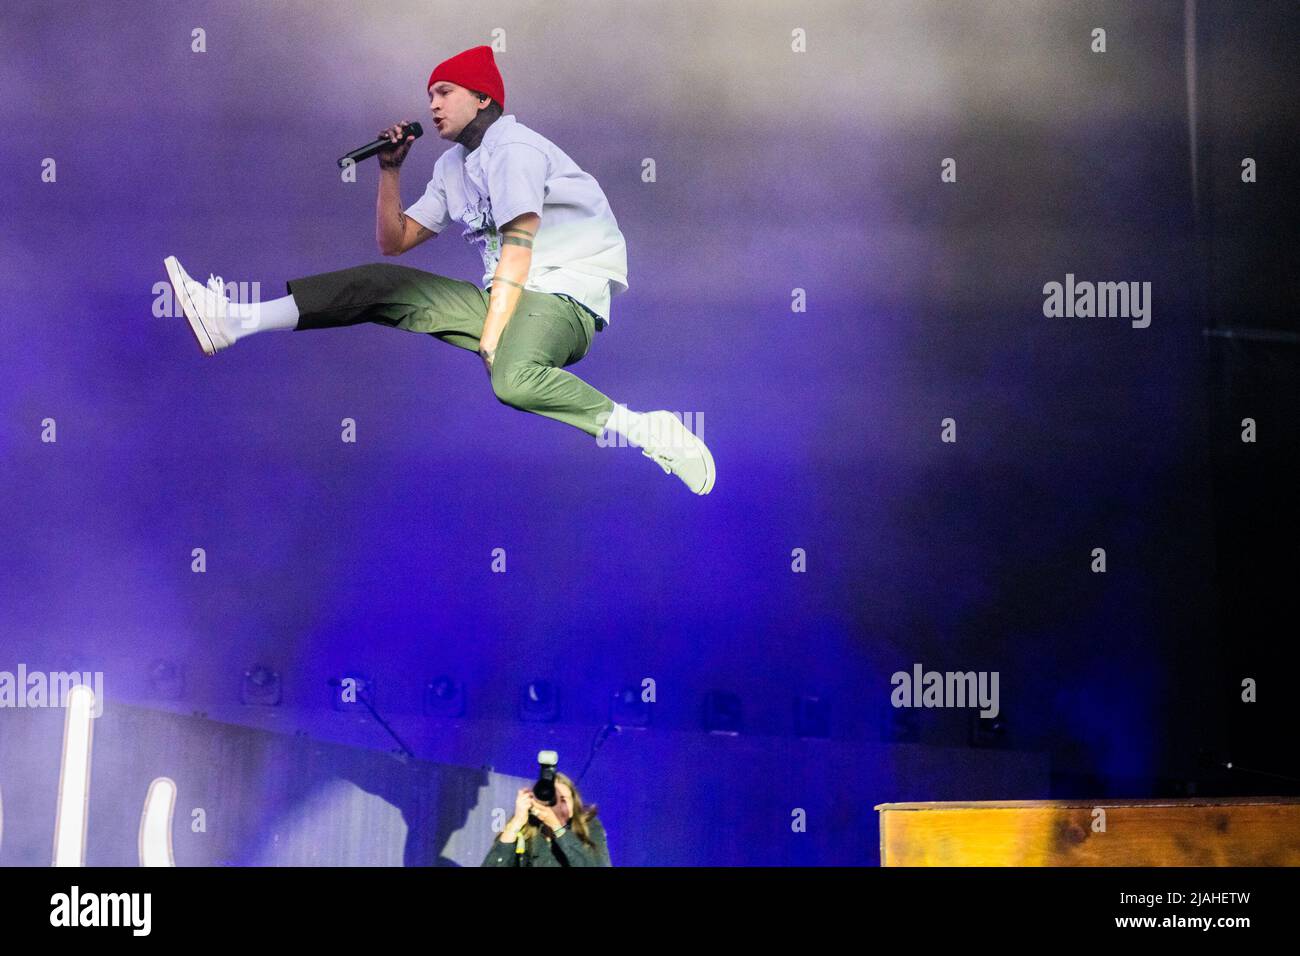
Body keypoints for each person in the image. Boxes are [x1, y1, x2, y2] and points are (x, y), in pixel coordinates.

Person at [163, 45, 715, 495]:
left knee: (512, 379)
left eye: (445, 92)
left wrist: (494, 334)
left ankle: (645, 428)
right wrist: (389, 171)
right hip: (511, 297)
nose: (433, 105)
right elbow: (394, 241)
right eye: (430, 94)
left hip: (563, 299)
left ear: (482, 98)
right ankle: (233, 320)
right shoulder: (455, 166)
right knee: (380, 288)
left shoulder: (514, 150)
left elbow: (519, 247)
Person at [482, 772, 611, 867]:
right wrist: (516, 822)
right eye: (552, 800)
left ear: (574, 806)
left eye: (563, 800)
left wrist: (557, 827)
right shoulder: (528, 831)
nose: (556, 806)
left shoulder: (589, 828)